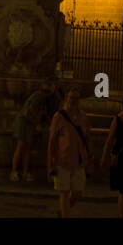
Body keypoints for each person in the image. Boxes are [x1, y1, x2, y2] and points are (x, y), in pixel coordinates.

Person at [47, 87, 94, 218]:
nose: (73, 100)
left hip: (79, 160)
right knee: (64, 192)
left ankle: (63, 212)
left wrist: (90, 157)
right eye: (71, 97)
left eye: (76, 98)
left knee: (78, 192)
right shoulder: (59, 116)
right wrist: (51, 162)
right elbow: (52, 140)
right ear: (66, 99)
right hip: (62, 159)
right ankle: (65, 215)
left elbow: (88, 138)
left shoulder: (83, 117)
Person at [11, 82, 56, 182]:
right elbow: (30, 110)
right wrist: (38, 123)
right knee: (21, 147)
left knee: (26, 148)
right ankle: (14, 172)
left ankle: (24, 172)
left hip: (28, 123)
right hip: (25, 123)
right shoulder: (40, 96)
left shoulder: (40, 96)